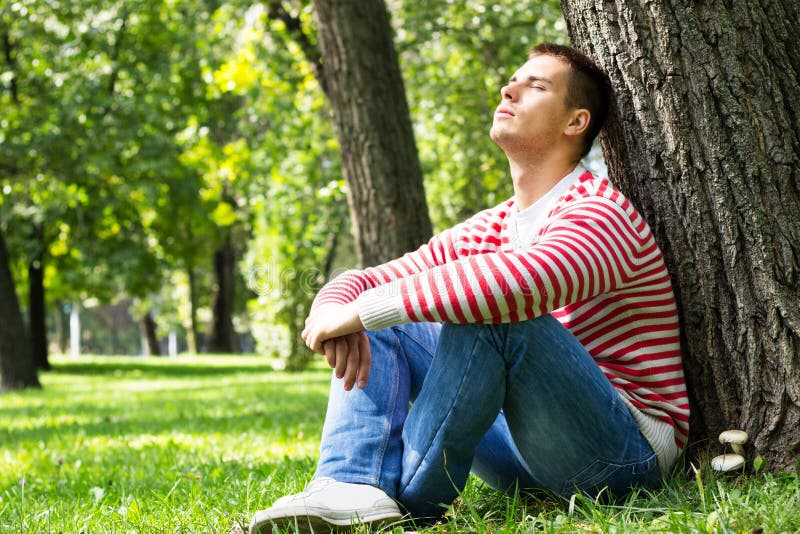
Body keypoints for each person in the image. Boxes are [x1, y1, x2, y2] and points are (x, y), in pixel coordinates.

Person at [249, 42, 690, 533]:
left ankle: (399, 508)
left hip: (621, 456)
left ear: (575, 122)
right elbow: (371, 280)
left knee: (490, 314)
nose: (509, 89)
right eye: (513, 79)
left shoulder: (601, 212)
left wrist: (366, 310)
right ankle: (352, 486)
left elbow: (524, 284)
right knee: (386, 323)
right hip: (531, 452)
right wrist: (340, 306)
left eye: (535, 85)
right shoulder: (494, 224)